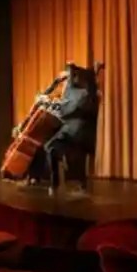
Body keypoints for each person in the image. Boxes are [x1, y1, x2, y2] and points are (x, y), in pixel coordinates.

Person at [39, 62, 100, 196]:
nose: (69, 79)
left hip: (79, 133)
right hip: (68, 130)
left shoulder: (85, 94)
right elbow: (63, 108)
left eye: (71, 76)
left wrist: (52, 105)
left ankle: (75, 184)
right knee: (50, 147)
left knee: (71, 152)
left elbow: (67, 110)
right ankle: (55, 183)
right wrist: (56, 83)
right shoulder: (71, 90)